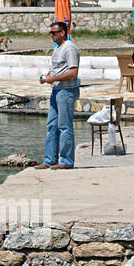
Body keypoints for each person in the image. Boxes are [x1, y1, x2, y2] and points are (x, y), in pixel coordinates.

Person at [40, 20, 80, 169]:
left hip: (66, 91)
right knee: (52, 125)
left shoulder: (70, 49)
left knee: (65, 126)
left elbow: (73, 72)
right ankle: (49, 159)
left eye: (54, 33)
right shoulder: (57, 48)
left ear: (62, 33)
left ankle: (66, 161)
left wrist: (53, 79)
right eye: (50, 33)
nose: (51, 35)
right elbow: (57, 68)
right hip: (56, 90)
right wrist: (47, 76)